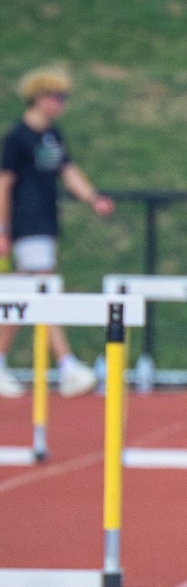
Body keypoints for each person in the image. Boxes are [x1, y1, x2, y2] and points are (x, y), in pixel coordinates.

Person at [0, 65, 114, 399]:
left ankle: (51, 366)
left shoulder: (53, 135)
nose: (61, 104)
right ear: (38, 97)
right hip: (26, 224)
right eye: (56, 97)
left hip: (47, 224)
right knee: (41, 293)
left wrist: (93, 198)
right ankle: (66, 365)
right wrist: (4, 228)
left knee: (24, 299)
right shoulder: (17, 137)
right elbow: (4, 185)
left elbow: (68, 170)